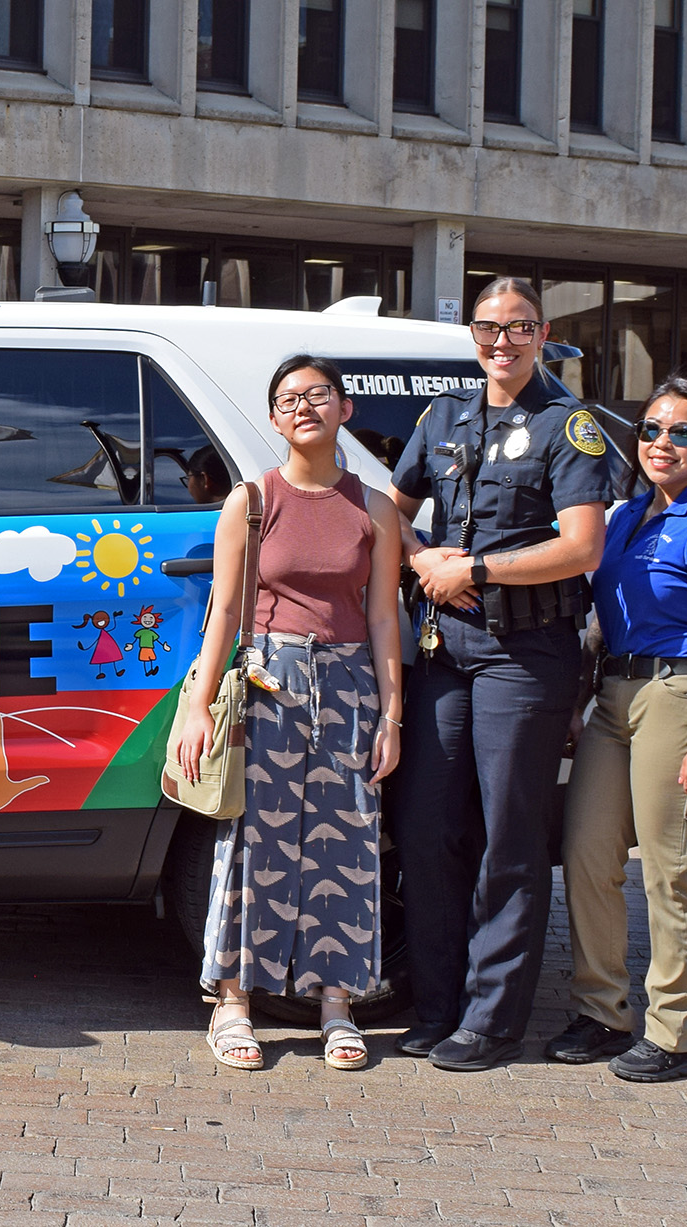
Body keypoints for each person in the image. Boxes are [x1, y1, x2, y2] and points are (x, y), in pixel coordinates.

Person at [389, 277, 617, 1072]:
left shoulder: (569, 424)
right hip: (443, 649)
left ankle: (493, 1019)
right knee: (426, 826)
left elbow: (582, 545)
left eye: (520, 327)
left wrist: (477, 569)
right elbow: (392, 510)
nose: (503, 342)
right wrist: (424, 560)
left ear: (542, 333)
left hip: (526, 653)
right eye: (489, 327)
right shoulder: (443, 415)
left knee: (508, 835)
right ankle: (438, 1006)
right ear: (473, 334)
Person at [178, 355, 404, 1073]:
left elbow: (383, 618)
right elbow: (223, 611)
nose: (304, 406)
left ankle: (336, 1003)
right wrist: (198, 707)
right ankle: (232, 1002)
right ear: (274, 419)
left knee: (348, 844)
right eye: (288, 399)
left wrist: (392, 716)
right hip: (268, 681)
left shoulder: (375, 508)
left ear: (345, 409)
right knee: (254, 841)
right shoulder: (251, 501)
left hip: (349, 685)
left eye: (318, 394)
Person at [555, 378, 687, 1082]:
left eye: (681, 432)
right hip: (613, 696)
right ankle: (602, 1011)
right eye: (649, 429)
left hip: (681, 696)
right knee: (586, 854)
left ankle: (675, 1033)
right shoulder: (625, 517)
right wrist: (580, 701)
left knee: (672, 873)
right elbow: (598, 619)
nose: (661, 443)